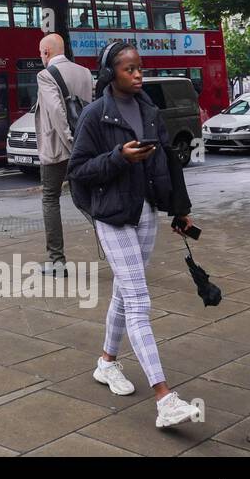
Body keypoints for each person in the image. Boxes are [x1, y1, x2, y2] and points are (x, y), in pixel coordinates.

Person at [69, 42, 201, 429]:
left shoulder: (149, 110)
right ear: (111, 73)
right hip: (112, 216)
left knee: (126, 293)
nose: (138, 74)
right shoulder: (96, 115)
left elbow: (169, 162)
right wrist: (119, 157)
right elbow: (77, 170)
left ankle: (106, 363)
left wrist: (180, 208)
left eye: (140, 68)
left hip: (145, 212)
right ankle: (165, 398)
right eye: (130, 69)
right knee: (140, 299)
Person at [34, 33, 93, 276]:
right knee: (90, 198)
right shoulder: (85, 73)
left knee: (50, 198)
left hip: (58, 149)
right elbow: (89, 109)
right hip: (85, 146)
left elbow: (58, 113)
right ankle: (119, 243)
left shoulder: (45, 75)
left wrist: (71, 143)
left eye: (40, 53)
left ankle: (57, 261)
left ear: (47, 52)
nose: (40, 57)